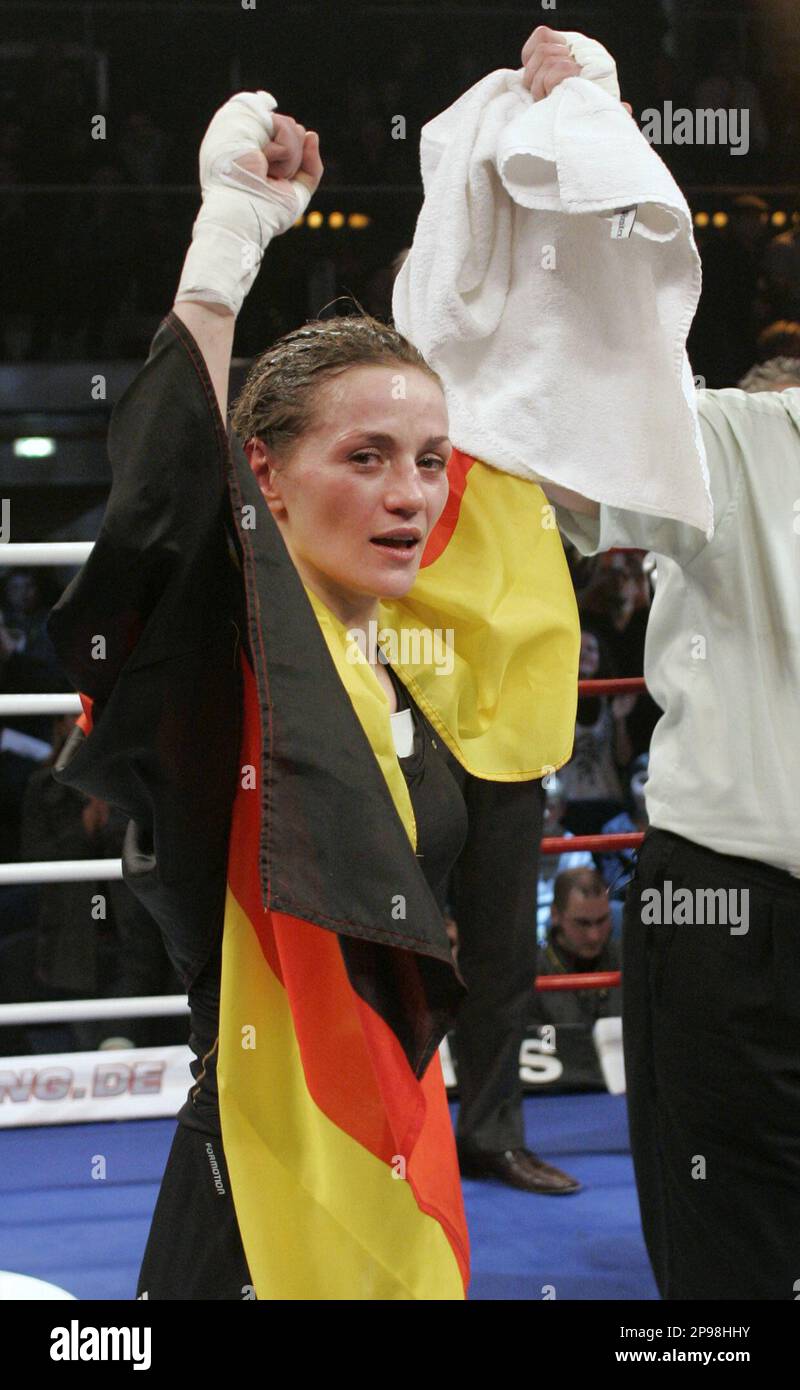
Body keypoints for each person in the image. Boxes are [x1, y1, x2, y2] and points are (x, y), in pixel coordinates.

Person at [47, 68, 579, 1299]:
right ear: (266, 477)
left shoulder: (410, 668)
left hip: (397, 1164)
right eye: (366, 456)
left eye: (431, 462)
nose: (410, 492)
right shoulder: (231, 662)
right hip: (258, 1179)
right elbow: (160, 518)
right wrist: (226, 240)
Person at [529, 29, 800, 1297]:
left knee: (726, 1243)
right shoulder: (746, 439)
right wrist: (585, 138)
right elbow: (588, 393)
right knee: (725, 1251)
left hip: (733, 908)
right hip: (736, 903)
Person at [533, 867, 621, 1028]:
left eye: (602, 920)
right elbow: (542, 1044)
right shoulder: (532, 973)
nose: (594, 936)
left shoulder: (630, 960)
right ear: (555, 915)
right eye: (582, 923)